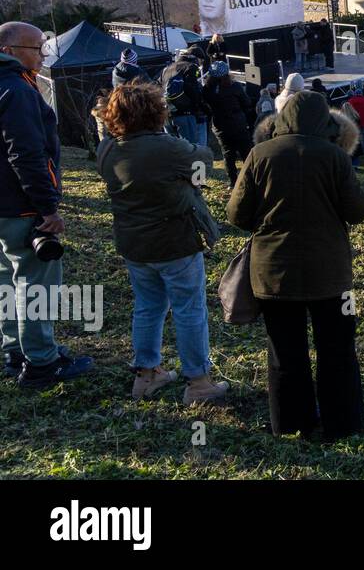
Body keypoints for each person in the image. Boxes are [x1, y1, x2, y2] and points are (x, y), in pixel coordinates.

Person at [227, 91, 364, 440]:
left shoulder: (260, 154)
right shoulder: (335, 156)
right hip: (330, 272)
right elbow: (358, 211)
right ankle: (342, 423)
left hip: (273, 271)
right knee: (337, 349)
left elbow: (236, 214)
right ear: (327, 122)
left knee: (284, 351)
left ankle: (290, 421)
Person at [95, 82, 227, 403]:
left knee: (148, 307)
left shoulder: (107, 148)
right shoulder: (167, 148)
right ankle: (198, 382)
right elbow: (205, 162)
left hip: (134, 244)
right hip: (174, 242)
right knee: (189, 309)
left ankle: (146, 374)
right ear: (155, 112)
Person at [0, 21, 95, 388]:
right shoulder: (17, 90)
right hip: (22, 207)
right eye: (36, 48)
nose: (42, 55)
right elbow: (26, 154)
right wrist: (48, 208)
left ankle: (14, 351)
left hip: (5, 207)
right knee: (35, 284)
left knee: (7, 279)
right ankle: (42, 362)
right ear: (9, 51)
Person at [203, 61, 255, 186]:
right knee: (246, 153)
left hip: (220, 125)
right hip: (238, 124)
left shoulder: (207, 90)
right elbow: (246, 102)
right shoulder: (234, 87)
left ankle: (233, 182)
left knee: (228, 154)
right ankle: (251, 179)